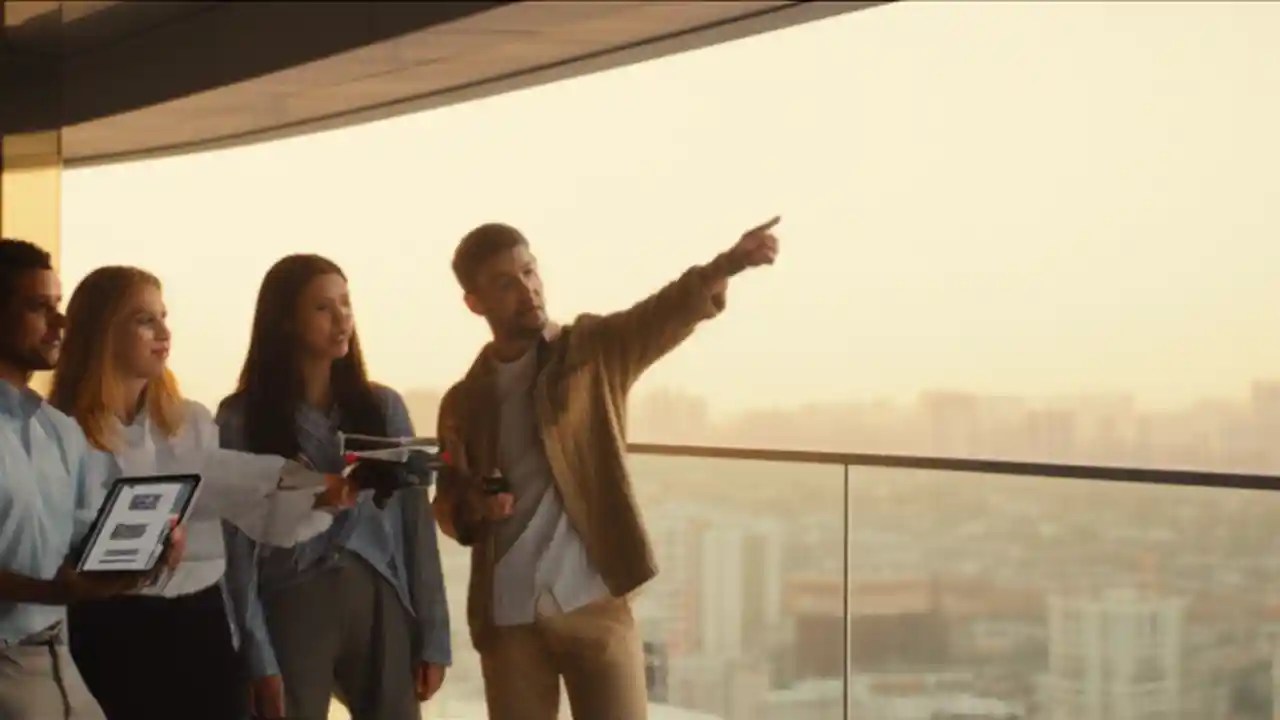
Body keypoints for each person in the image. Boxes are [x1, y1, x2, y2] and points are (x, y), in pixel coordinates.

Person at [433, 217, 782, 720]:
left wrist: (731, 263)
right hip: (509, 617)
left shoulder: (591, 351)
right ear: (475, 302)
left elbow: (660, 314)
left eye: (530, 272)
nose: (527, 290)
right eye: (505, 283)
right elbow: (447, 504)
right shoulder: (464, 401)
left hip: (593, 601)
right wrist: (475, 508)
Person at [50, 265, 366, 720]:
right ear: (102, 330)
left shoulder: (188, 422)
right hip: (108, 623)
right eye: (144, 320)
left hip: (200, 622)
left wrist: (317, 493)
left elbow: (232, 487)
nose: (164, 331)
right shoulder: (61, 432)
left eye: (163, 316)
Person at [220, 254, 451, 720]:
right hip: (291, 597)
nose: (342, 318)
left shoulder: (382, 407)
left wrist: (434, 636)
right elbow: (235, 552)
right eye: (323, 308)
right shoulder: (241, 418)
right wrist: (257, 657)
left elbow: (415, 531)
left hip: (379, 599)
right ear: (285, 320)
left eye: (346, 304)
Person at [0, 239, 185, 720]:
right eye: (39, 307)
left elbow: (85, 537)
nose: (59, 323)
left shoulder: (58, 431)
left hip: (60, 658)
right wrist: (55, 592)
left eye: (58, 305)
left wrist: (145, 554)